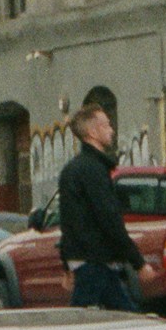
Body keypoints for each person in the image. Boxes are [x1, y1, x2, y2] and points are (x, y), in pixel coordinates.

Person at [57, 102, 146, 310]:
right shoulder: (94, 170)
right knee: (94, 318)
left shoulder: (71, 170)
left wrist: (67, 263)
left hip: (90, 262)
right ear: (92, 132)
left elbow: (66, 222)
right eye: (106, 125)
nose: (112, 130)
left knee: (122, 315)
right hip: (95, 261)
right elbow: (109, 218)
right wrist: (139, 263)